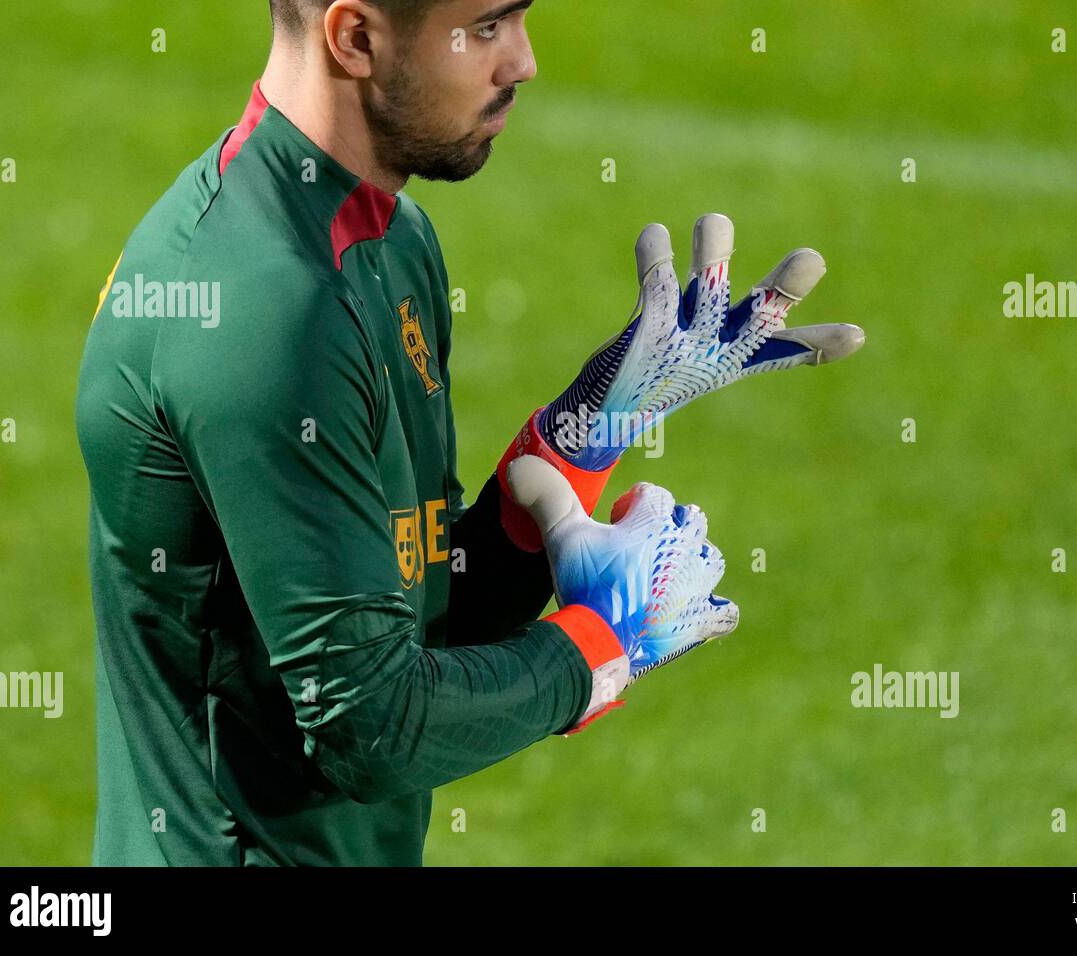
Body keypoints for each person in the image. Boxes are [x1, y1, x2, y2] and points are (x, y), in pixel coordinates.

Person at [75, 0, 862, 866]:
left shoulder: (388, 239)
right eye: (486, 28)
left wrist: (582, 435)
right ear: (355, 38)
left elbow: (417, 614)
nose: (522, 62)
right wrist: (603, 646)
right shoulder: (265, 313)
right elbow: (372, 725)